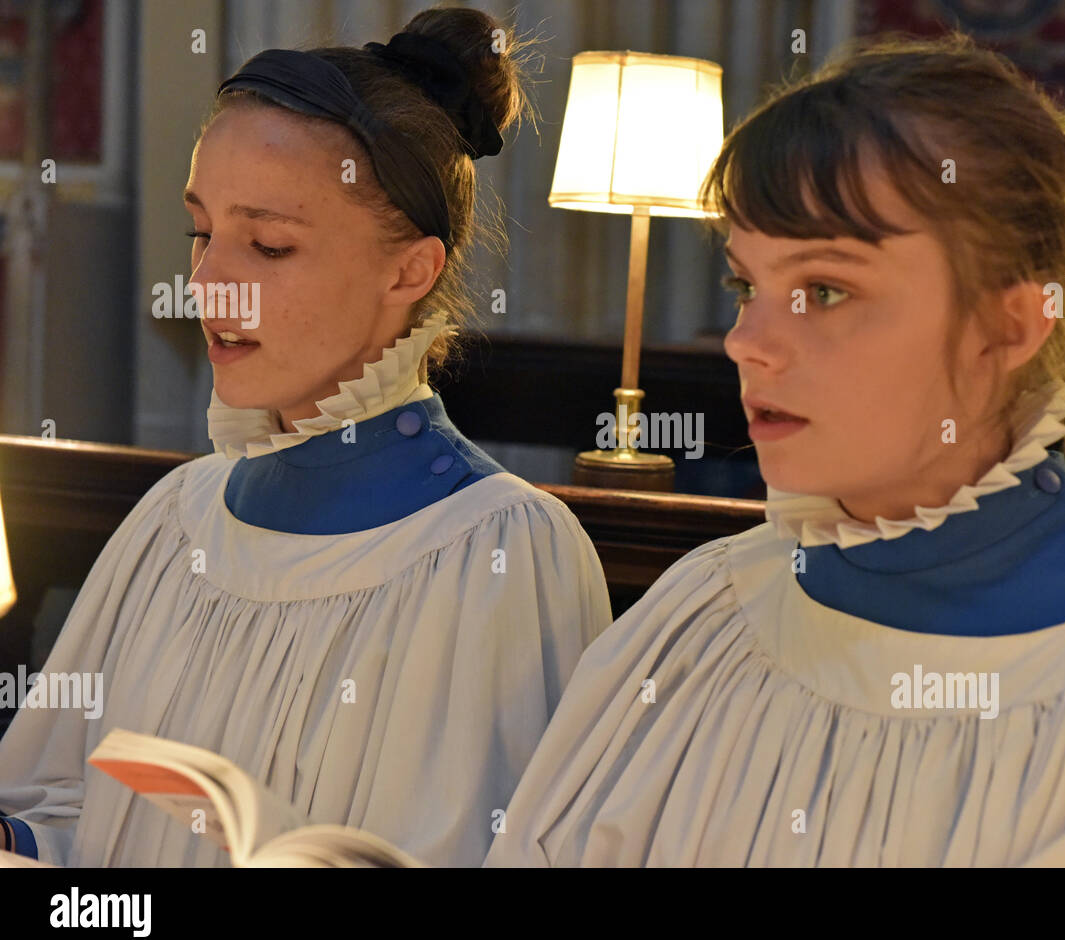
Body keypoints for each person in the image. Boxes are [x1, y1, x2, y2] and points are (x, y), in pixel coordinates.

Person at [485, 33, 1065, 867]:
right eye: (746, 285)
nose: (747, 342)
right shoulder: (699, 617)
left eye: (826, 289)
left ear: (1010, 324)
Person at [0, 6, 611, 866]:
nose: (209, 285)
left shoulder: (500, 558)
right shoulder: (174, 524)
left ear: (411, 270)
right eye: (201, 234)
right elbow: (72, 815)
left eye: (270, 246)